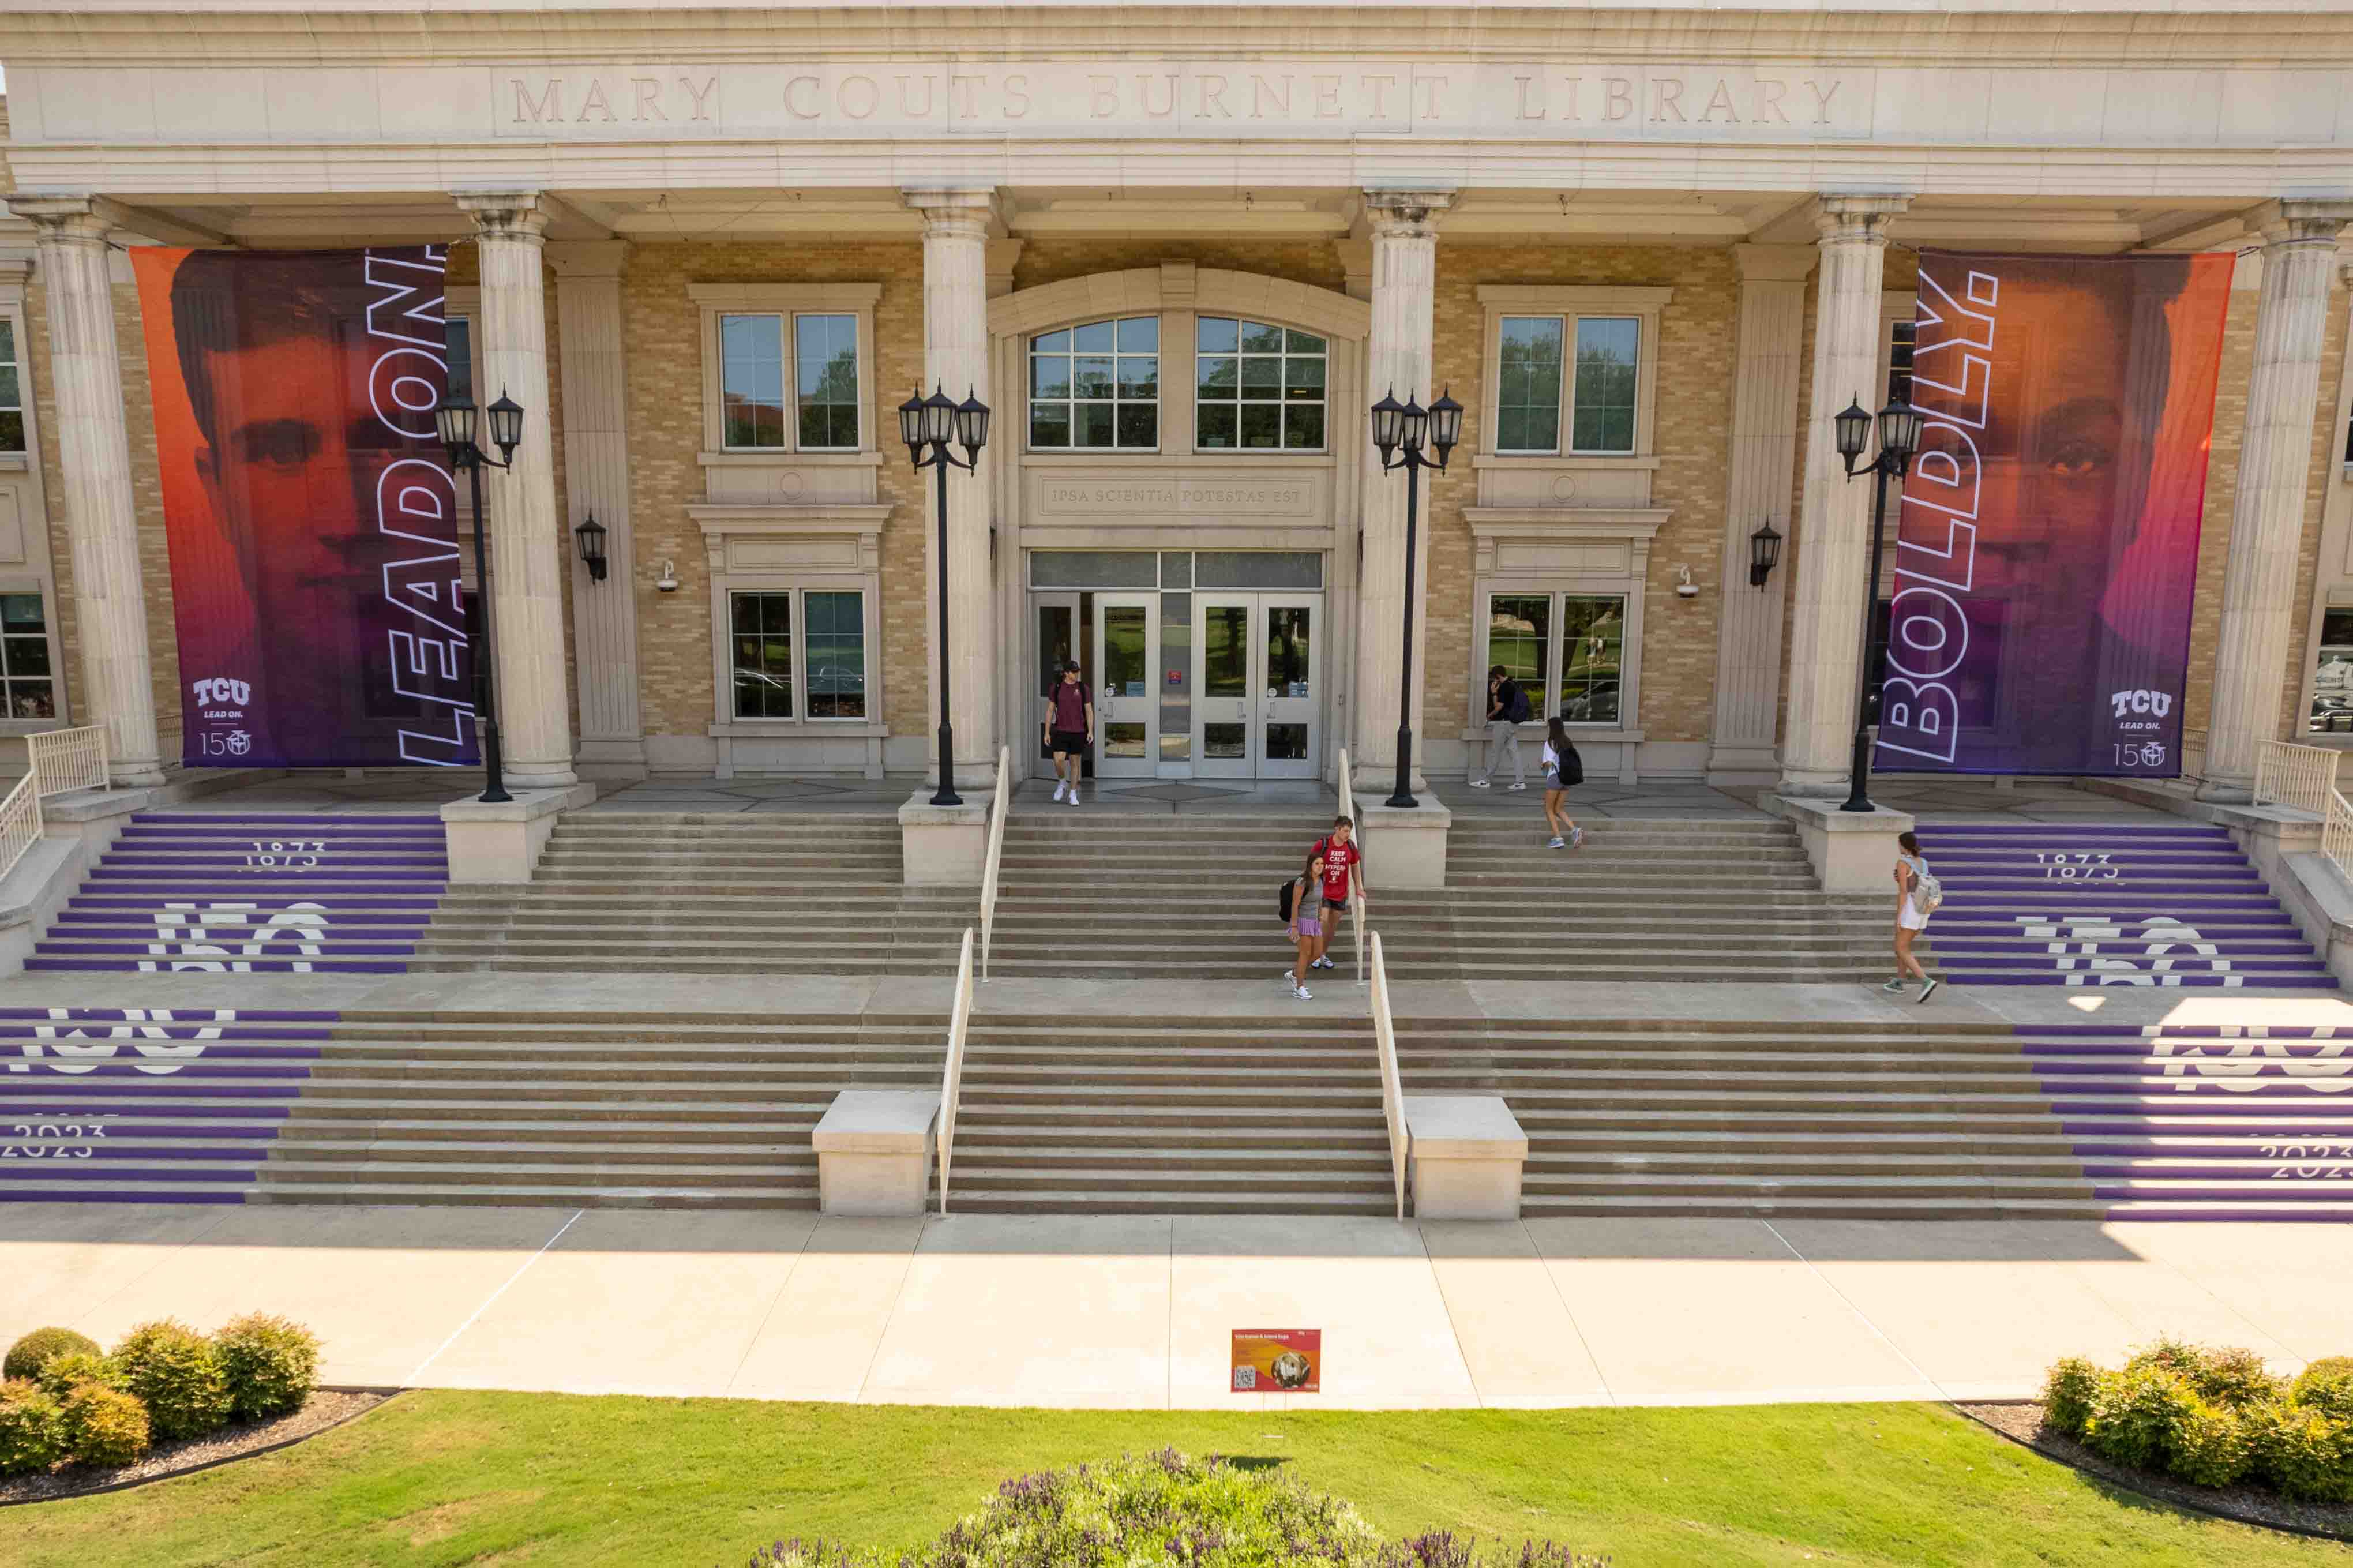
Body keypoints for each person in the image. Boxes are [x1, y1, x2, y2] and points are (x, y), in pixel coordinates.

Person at [1306, 815, 1365, 972]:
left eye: (1349, 831)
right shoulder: (1323, 844)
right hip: (1323, 890)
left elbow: (1355, 867)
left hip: (1340, 892)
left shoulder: (1351, 847)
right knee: (1323, 920)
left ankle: (1323, 954)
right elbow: (1311, 863)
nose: (1348, 834)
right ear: (1337, 829)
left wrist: (1359, 888)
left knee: (1332, 927)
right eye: (1345, 831)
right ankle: (1316, 954)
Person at [1887, 830, 1939, 1004]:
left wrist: (1899, 917)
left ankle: (1926, 981)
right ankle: (1899, 981)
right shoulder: (1923, 862)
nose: (1898, 846)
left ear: (1903, 845)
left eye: (1899, 844)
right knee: (1902, 945)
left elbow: (1903, 892)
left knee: (1901, 948)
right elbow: (1917, 884)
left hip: (1910, 907)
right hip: (1922, 908)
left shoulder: (1902, 863)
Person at [1470, 665, 1530, 790]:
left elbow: (1498, 707)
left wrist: (1493, 695)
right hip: (1513, 724)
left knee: (1495, 752)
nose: (1493, 681)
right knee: (1513, 751)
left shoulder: (1505, 687)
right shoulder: (1514, 684)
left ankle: (1486, 780)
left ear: (1498, 676)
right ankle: (1520, 782)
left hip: (1504, 723)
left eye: (1494, 678)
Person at [1042, 661, 1093, 807]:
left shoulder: (1083, 688)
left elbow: (1089, 711)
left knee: (1075, 763)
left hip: (1079, 731)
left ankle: (1073, 794)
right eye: (1073, 672)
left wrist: (1090, 731)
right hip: (1061, 730)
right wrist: (1047, 732)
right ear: (1066, 673)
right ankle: (1062, 782)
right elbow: (1050, 710)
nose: (1076, 674)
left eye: (1077, 671)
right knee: (1059, 760)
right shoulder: (1056, 688)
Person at [1282, 850, 1326, 1000]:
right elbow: (1295, 904)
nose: (1320, 867)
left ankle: (1294, 974)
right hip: (1302, 922)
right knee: (1305, 954)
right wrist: (1294, 926)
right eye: (1317, 864)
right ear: (1310, 865)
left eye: (1322, 864)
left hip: (1315, 922)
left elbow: (1319, 900)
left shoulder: (1321, 880)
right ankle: (1299, 987)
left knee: (1318, 953)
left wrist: (1320, 914)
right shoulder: (1302, 882)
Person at [1541, 716, 1583, 850]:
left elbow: (1548, 763)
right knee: (1559, 809)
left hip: (1554, 778)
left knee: (1548, 809)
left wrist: (1543, 765)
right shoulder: (1567, 742)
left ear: (1552, 727)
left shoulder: (1550, 742)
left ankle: (1558, 838)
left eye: (1548, 726)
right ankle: (1574, 829)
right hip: (1566, 779)